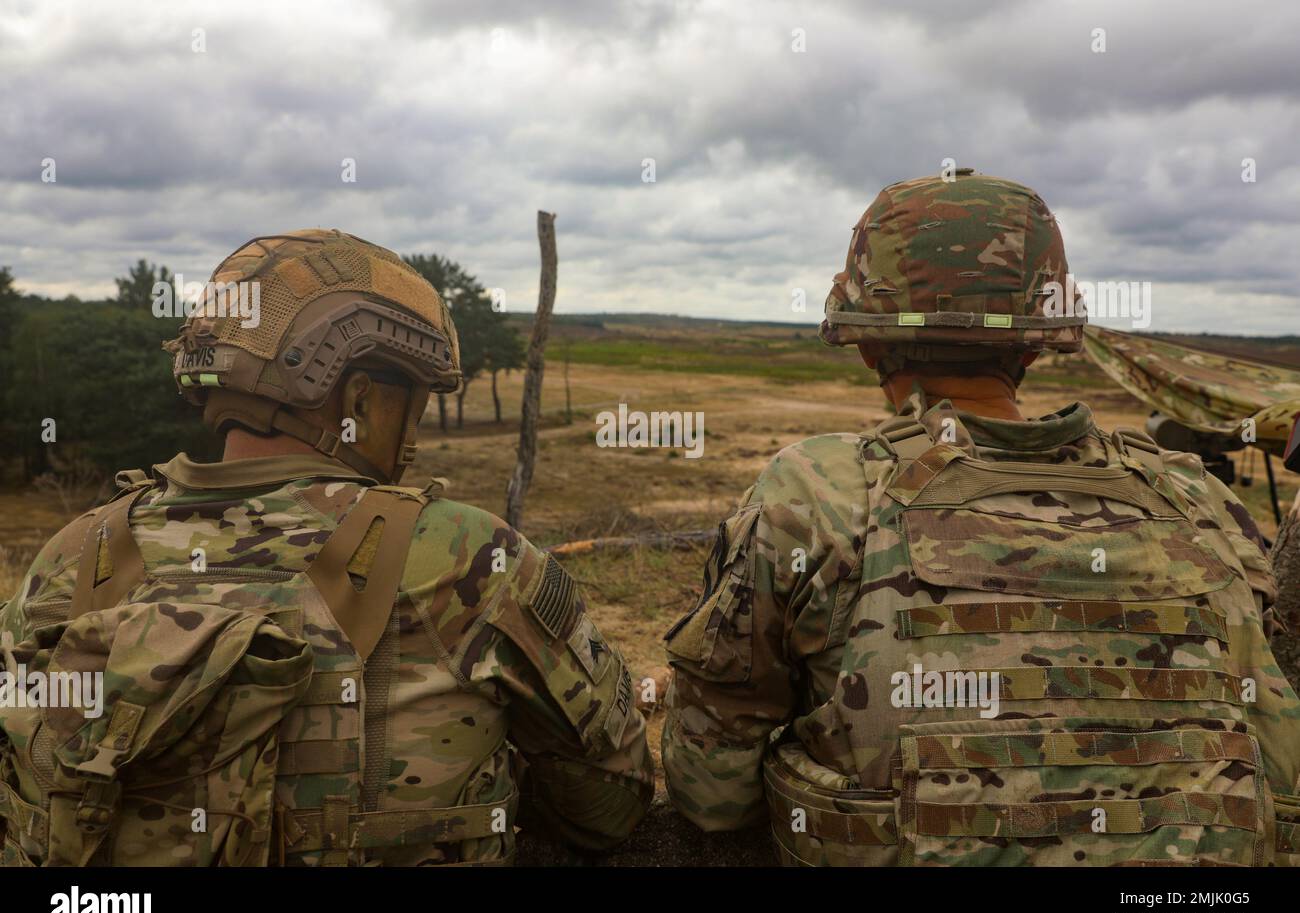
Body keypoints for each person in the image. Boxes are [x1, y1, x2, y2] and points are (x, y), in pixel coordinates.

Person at [661, 170, 1300, 866]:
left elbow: (712, 791)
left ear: (867, 344)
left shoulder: (817, 492)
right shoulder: (1194, 497)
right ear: (1035, 347)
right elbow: (1279, 768)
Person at [0, 229, 650, 866]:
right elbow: (609, 801)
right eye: (413, 409)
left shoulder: (79, 549)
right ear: (359, 401)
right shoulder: (465, 551)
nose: (414, 441)